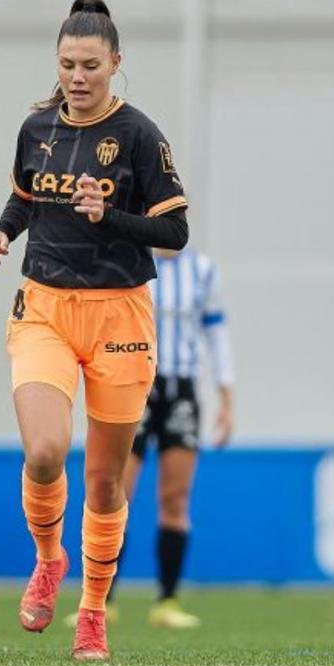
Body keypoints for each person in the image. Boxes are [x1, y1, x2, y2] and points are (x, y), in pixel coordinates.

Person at [0, 0, 188, 661]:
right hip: (43, 305)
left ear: (116, 65)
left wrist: (113, 217)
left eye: (91, 65)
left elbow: (176, 233)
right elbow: (26, 194)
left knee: (104, 482)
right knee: (44, 450)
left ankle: (92, 612)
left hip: (120, 313)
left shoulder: (139, 136)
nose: (77, 76)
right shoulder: (36, 127)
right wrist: (2, 232)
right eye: (67, 64)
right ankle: (48, 559)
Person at [77, 247, 234, 629]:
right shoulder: (128, 260)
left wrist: (226, 398)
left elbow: (216, 333)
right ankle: (101, 600)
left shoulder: (203, 270)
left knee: (175, 497)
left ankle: (167, 601)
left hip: (180, 389)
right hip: (133, 384)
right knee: (115, 492)